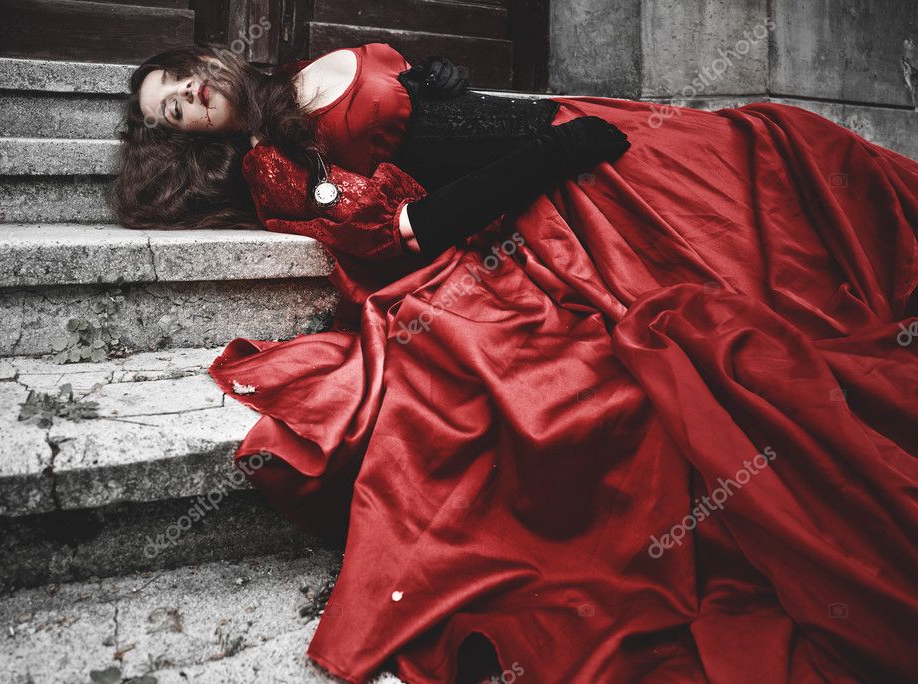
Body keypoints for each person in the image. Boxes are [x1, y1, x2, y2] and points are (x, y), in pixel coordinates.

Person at [115, 42, 918, 684]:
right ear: (182, 135)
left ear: (205, 62)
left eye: (179, 80)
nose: (186, 98)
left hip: (592, 129)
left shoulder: (291, 84)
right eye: (171, 112)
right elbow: (407, 230)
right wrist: (550, 153)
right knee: (760, 260)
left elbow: (403, 106)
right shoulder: (272, 163)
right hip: (566, 180)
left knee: (780, 142)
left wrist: (427, 82)